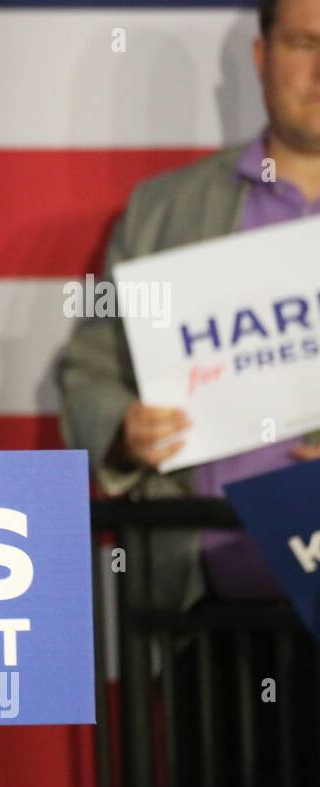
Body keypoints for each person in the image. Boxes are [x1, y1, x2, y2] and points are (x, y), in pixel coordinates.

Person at [57, 0, 320, 612]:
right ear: (262, 57)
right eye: (305, 44)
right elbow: (89, 374)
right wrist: (125, 429)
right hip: (202, 617)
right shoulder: (164, 211)